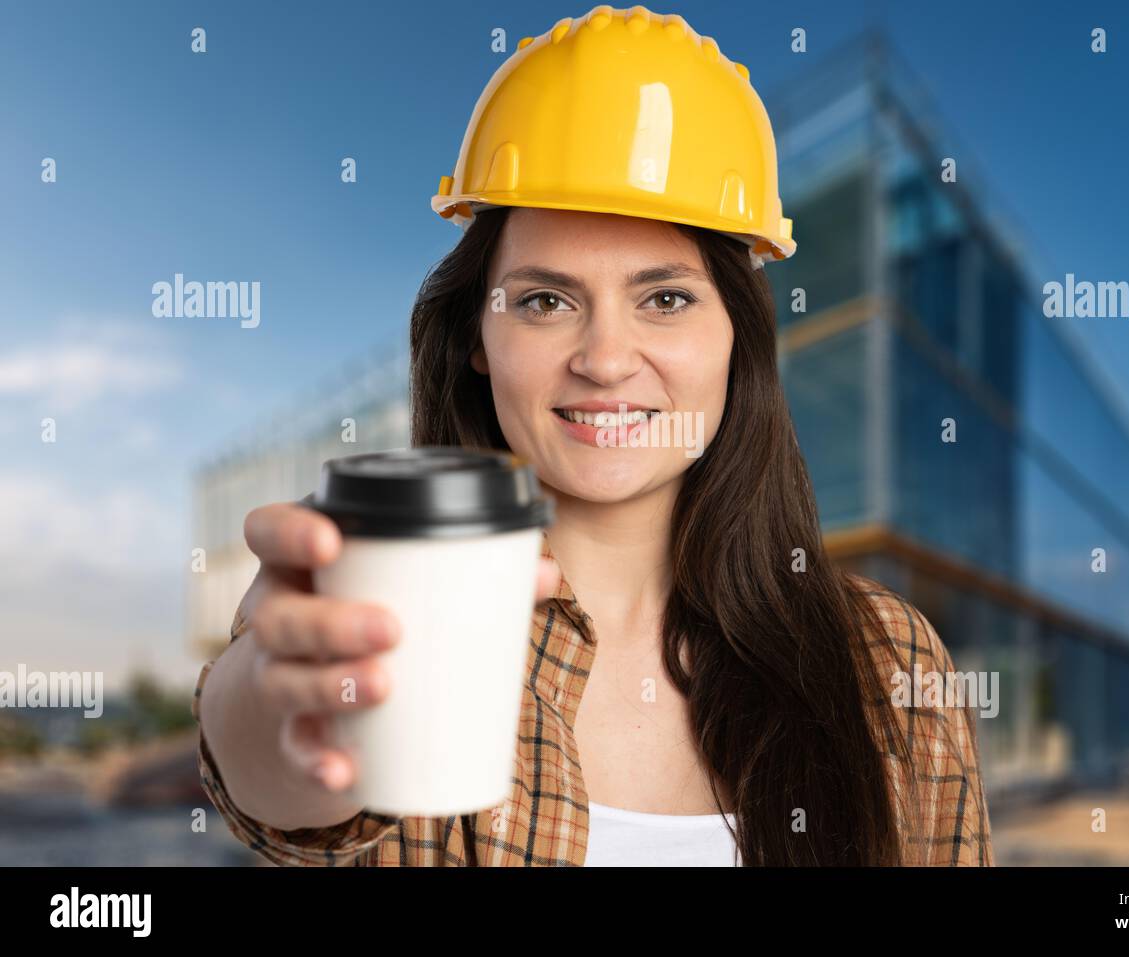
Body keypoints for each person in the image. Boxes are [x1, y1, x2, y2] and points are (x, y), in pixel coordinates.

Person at [193, 4, 993, 867]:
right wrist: (272, 708)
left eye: (666, 298)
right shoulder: (396, 612)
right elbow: (289, 785)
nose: (607, 361)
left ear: (737, 335)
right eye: (545, 301)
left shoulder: (890, 664)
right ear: (477, 339)